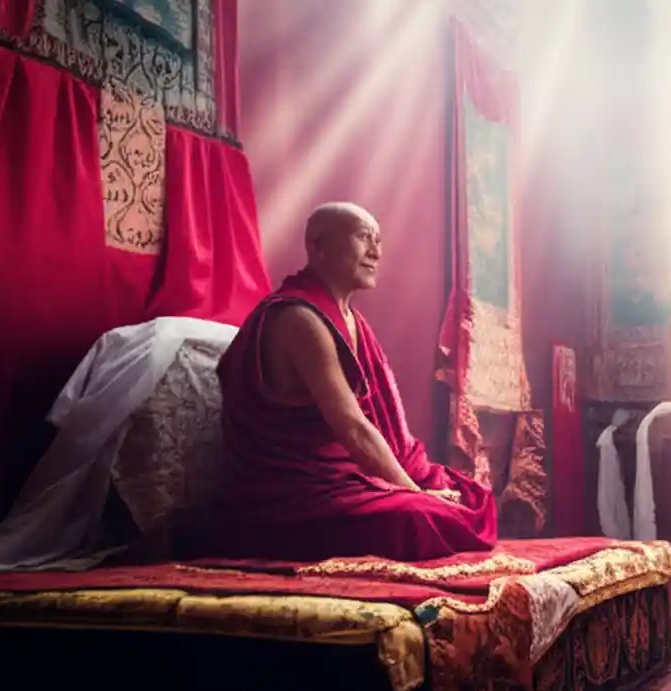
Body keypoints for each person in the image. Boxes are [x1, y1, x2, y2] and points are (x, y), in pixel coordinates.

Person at [187, 202, 498, 562]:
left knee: (473, 496)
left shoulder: (352, 320)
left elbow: (376, 422)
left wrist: (419, 483)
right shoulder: (299, 318)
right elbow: (351, 425)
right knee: (419, 519)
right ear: (318, 246)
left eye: (379, 240)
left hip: (343, 478)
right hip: (292, 496)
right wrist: (414, 491)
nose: (376, 252)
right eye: (364, 237)